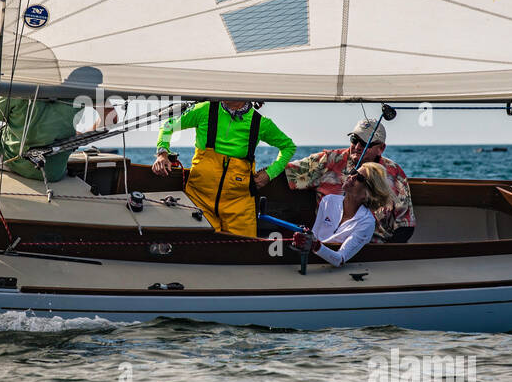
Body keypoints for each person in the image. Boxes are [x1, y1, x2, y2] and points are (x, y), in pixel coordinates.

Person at [152, 100, 295, 237]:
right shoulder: (204, 110)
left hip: (239, 204)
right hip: (199, 199)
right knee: (198, 247)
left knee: (242, 252)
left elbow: (288, 146)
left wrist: (269, 174)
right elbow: (168, 126)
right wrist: (162, 153)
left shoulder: (261, 123)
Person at [285, 117, 415, 242]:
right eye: (354, 139)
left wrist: (384, 257)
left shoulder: (394, 172)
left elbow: (405, 225)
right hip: (328, 245)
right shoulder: (327, 161)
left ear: (381, 148)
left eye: (365, 143)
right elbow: (285, 172)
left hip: (373, 248)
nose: (357, 146)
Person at [292, 162, 391, 267]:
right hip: (313, 261)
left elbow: (339, 259)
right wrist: (307, 239)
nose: (351, 177)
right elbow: (315, 236)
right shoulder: (328, 201)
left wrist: (314, 245)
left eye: (360, 178)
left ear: (368, 192)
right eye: (353, 172)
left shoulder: (367, 223)